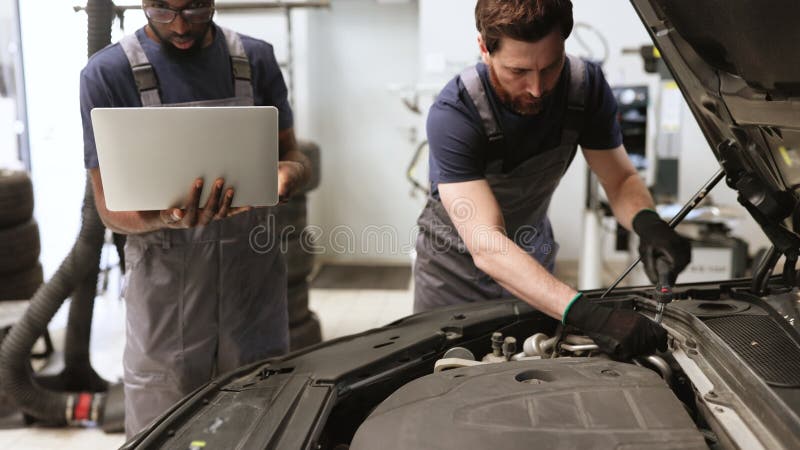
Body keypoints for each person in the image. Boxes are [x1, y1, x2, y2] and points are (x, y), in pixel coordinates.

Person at [79, 0, 310, 437]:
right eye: (162, 9)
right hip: (168, 292)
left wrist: (283, 178)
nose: (180, 24)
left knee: (260, 416)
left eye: (195, 7)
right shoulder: (107, 74)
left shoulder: (254, 59)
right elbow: (109, 209)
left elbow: (295, 158)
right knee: (164, 426)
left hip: (252, 287)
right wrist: (165, 217)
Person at [413, 0, 690, 359]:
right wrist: (588, 314)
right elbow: (486, 243)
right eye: (518, 71)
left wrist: (649, 224)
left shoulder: (584, 89)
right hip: (452, 280)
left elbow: (619, 179)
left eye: (550, 66)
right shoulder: (455, 113)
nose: (537, 88)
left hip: (532, 264)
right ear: (484, 48)